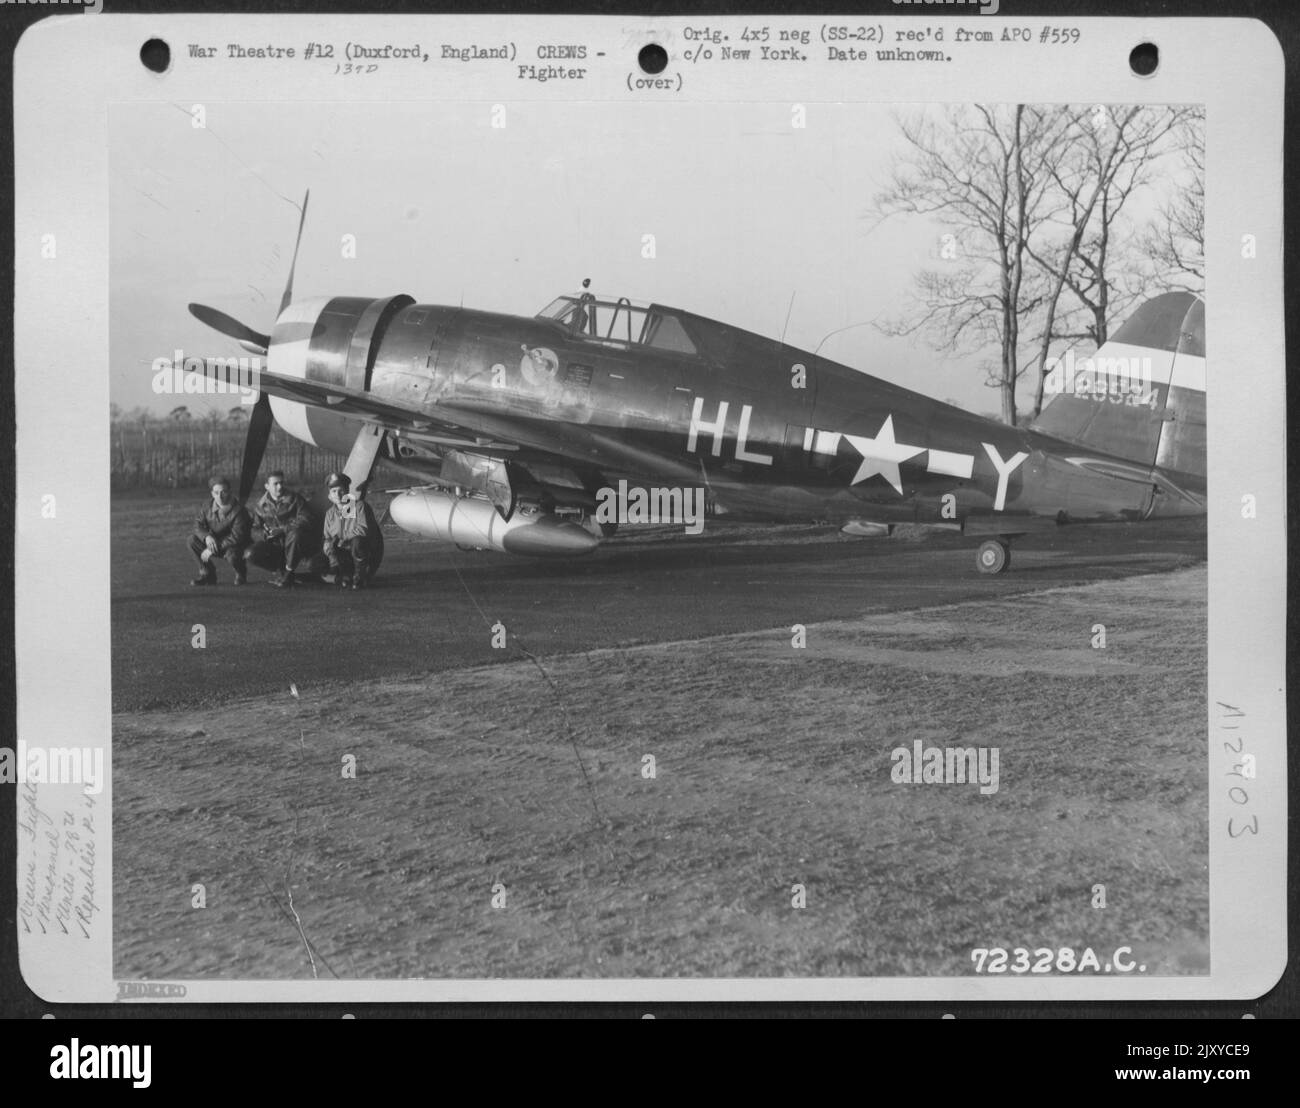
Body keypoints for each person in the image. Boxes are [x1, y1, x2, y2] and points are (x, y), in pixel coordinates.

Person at [248, 470, 314, 588]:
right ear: (267, 486)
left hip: (296, 543)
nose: (280, 486)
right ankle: (281, 571)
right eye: (275, 484)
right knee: (250, 554)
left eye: (282, 483)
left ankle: (289, 572)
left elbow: (306, 519)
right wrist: (264, 534)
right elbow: (254, 529)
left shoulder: (296, 499)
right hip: (274, 545)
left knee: (295, 534)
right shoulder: (260, 505)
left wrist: (283, 529)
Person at [188, 475, 251, 586]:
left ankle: (241, 573)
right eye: (216, 493)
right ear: (212, 493)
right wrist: (206, 536)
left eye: (223, 492)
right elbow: (197, 525)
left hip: (234, 545)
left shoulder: (239, 510)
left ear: (230, 492)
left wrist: (213, 549)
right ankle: (207, 574)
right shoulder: (206, 506)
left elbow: (238, 536)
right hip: (215, 543)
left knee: (233, 555)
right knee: (191, 540)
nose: (220, 496)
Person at [321, 472, 377, 590]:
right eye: (334, 491)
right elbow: (327, 536)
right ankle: (341, 577)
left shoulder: (359, 506)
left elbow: (363, 529)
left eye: (341, 490)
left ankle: (359, 577)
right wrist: (328, 545)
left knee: (358, 541)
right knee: (314, 563)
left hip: (360, 553)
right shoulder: (330, 514)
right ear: (329, 495)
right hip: (341, 555)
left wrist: (343, 538)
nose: (338, 495)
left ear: (347, 491)